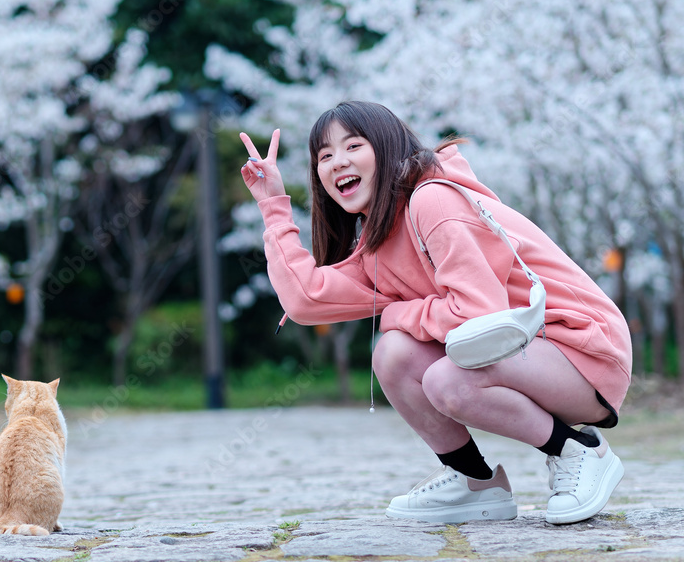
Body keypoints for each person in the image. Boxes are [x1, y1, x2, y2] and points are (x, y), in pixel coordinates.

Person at [239, 101, 631, 525]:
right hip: (525, 356)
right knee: (393, 355)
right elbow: (304, 299)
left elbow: (481, 315)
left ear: (387, 147)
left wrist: (395, 314)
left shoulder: (433, 199)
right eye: (325, 156)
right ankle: (472, 482)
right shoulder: (376, 243)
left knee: (444, 377)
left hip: (582, 352)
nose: (339, 162)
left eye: (353, 145)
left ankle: (579, 451)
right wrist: (273, 204)